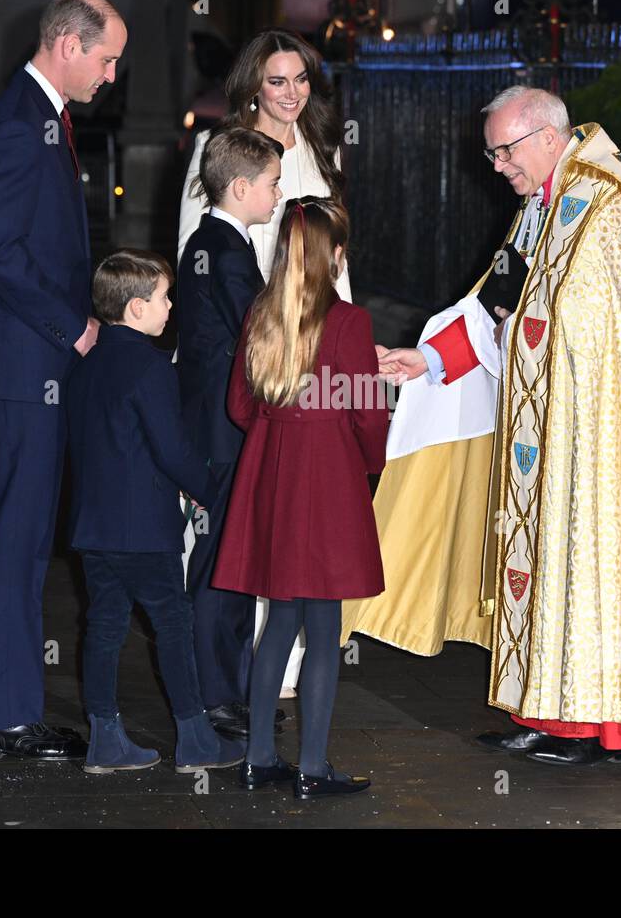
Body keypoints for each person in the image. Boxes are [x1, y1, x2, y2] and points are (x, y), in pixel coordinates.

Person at [362, 86, 621, 765]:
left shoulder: (603, 205)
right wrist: (428, 358)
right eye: (492, 152)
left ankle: (597, 722)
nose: (497, 165)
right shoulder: (538, 207)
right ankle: (544, 710)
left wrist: (523, 334)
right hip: (544, 428)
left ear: (544, 137)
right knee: (540, 565)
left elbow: (595, 330)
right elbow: (497, 300)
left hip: (592, 435)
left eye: (503, 151)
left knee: (587, 561)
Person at [0, 0, 125, 760]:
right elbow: (2, 254)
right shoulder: (22, 123)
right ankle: (2, 715)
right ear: (66, 42)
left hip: (30, 368)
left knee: (16, 543)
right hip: (21, 368)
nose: (112, 75)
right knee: (10, 542)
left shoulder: (42, 115)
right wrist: (76, 326)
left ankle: (7, 705)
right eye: (107, 57)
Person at [178, 28, 353, 699]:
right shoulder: (217, 150)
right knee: (234, 515)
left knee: (293, 508)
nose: (290, 93)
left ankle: (275, 668)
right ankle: (223, 673)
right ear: (253, 82)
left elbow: (335, 265)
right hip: (246, 362)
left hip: (310, 353)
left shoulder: (320, 150)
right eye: (277, 80)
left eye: (301, 79)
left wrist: (344, 349)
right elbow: (201, 265)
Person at [213, 198, 389, 798]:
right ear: (334, 257)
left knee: (279, 620)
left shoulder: (260, 316)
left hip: (273, 476)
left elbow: (239, 408)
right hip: (328, 477)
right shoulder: (349, 323)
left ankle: (259, 757)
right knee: (324, 623)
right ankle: (312, 766)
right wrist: (369, 465)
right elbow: (368, 414)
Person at [64, 250, 246, 774]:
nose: (173, 306)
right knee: (173, 625)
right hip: (144, 529)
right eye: (166, 298)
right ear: (138, 309)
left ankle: (104, 739)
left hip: (93, 528)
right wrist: (215, 492)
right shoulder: (150, 368)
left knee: (102, 627)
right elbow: (171, 451)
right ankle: (196, 741)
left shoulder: (86, 365)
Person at [176, 126, 284, 741]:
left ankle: (233, 690)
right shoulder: (225, 247)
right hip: (223, 431)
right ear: (240, 187)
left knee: (232, 559)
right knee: (221, 564)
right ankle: (216, 695)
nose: (276, 194)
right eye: (270, 184)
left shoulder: (214, 241)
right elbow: (257, 330)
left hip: (219, 425)